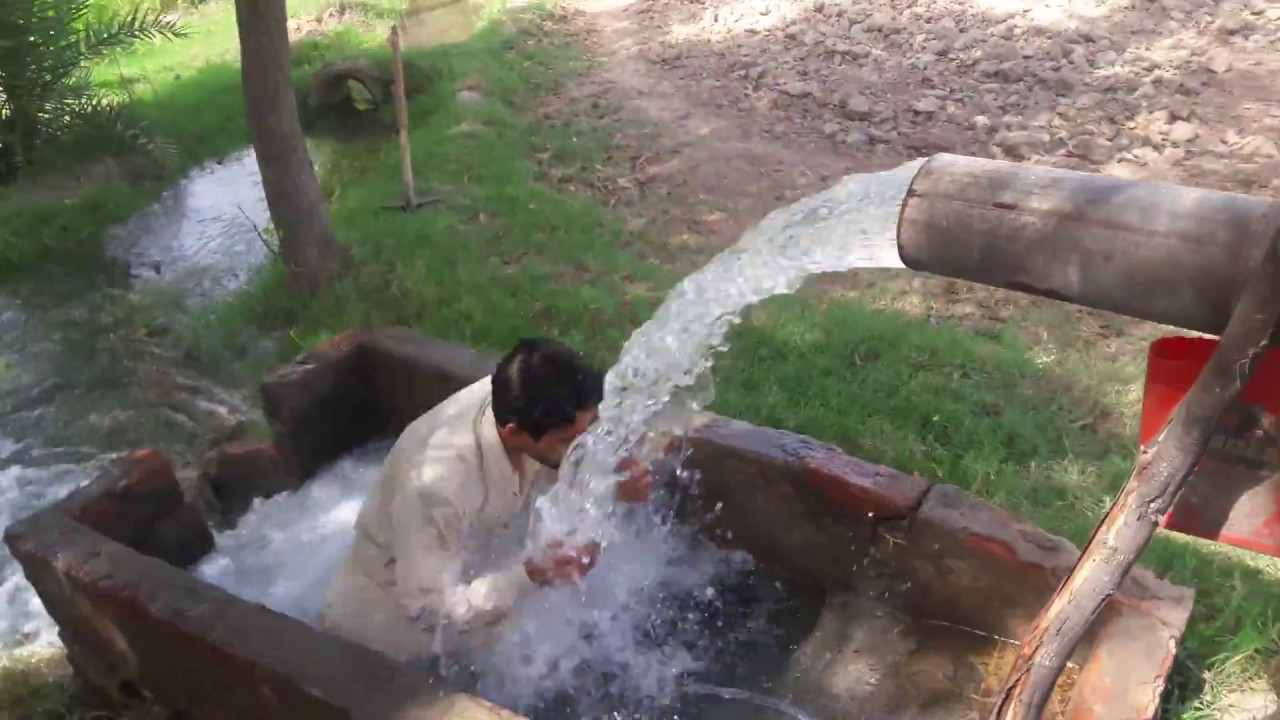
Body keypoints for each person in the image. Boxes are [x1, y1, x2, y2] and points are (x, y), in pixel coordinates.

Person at [319, 337, 652, 664]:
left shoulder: (529, 399)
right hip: (384, 615)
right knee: (512, 652)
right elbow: (432, 610)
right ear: (513, 433)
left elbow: (572, 455)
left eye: (590, 426)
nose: (583, 446)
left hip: (455, 553)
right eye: (567, 440)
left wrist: (612, 479)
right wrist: (529, 576)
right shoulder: (438, 485)